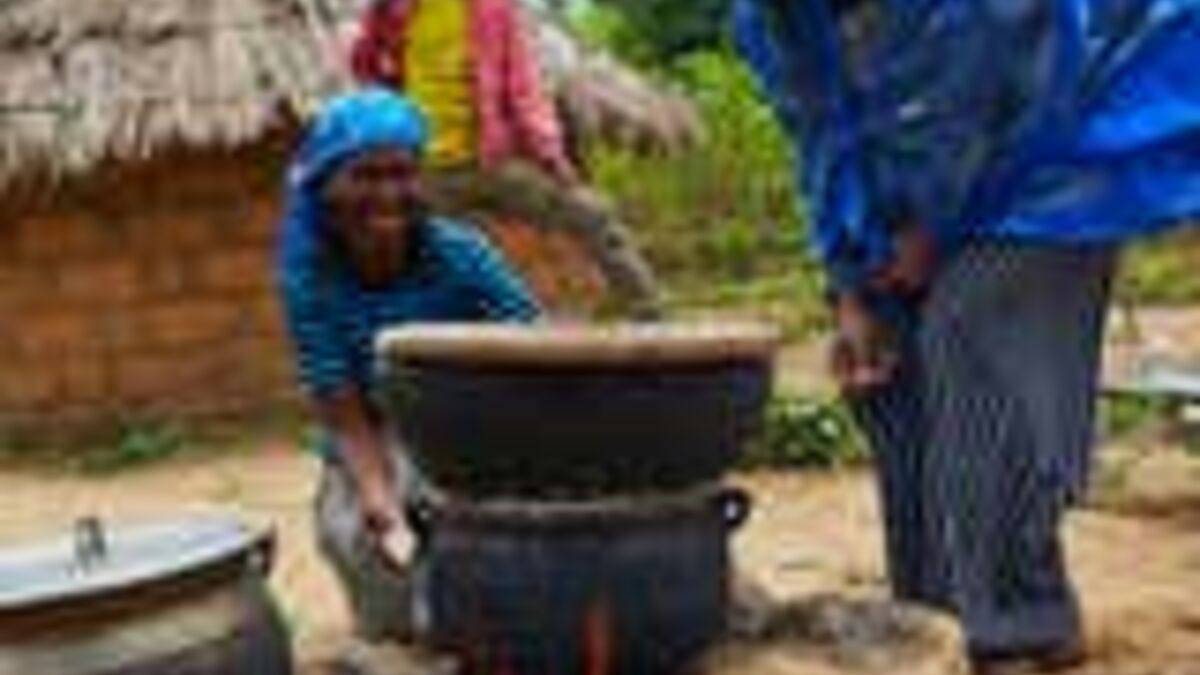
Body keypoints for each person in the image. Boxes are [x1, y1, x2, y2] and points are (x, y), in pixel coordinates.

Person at [733, 1, 1200, 672]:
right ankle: (935, 611)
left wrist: (932, 230)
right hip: (949, 170)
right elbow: (824, 140)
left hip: (1073, 131)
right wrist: (852, 290)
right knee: (886, 356)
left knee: (970, 327)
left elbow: (999, 96)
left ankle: (1021, 618)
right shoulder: (777, 19)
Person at [276, 88, 540, 645]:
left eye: (403, 174)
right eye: (365, 176)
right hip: (377, 432)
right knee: (358, 534)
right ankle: (409, 638)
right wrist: (379, 500)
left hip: (480, 417)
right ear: (325, 186)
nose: (388, 194)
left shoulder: (459, 253)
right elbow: (344, 414)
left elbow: (535, 344)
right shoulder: (307, 281)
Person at [350, 0, 662, 317]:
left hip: (490, 160)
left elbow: (523, 87)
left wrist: (550, 155)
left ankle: (648, 312)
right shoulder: (397, 10)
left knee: (590, 213)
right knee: (439, 264)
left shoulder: (493, 8)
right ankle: (435, 346)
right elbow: (364, 62)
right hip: (427, 173)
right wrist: (390, 94)